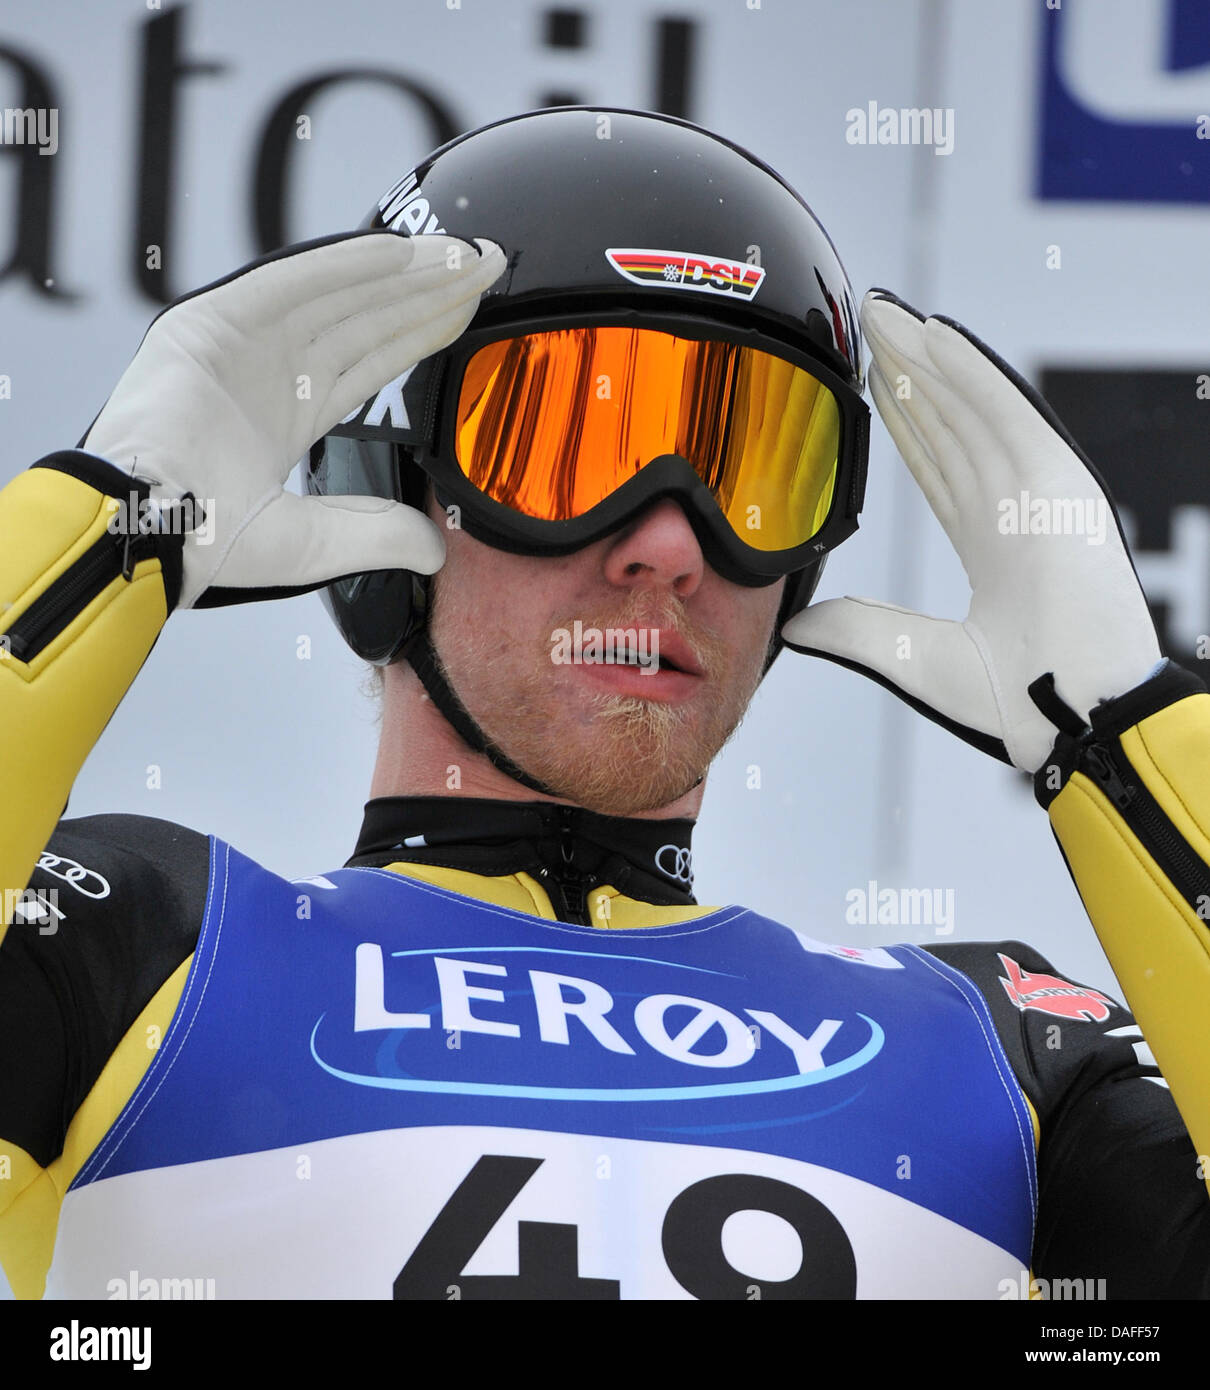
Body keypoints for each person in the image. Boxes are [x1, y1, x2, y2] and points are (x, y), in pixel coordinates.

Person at [0, 106, 1206, 1301]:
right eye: (566, 441)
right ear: (393, 479)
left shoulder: (1008, 1054)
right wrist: (101, 543)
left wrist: (1132, 749)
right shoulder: (138, 946)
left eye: (749, 467)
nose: (671, 543)